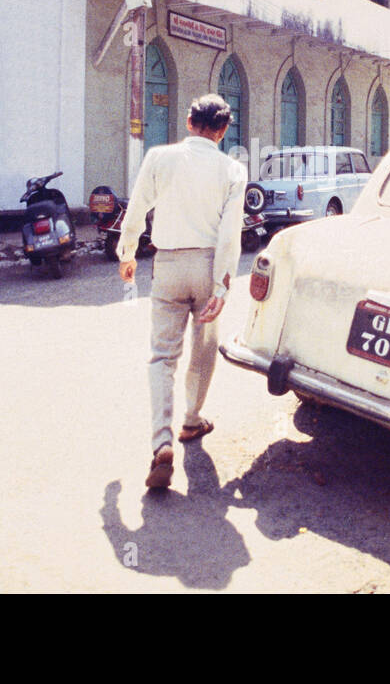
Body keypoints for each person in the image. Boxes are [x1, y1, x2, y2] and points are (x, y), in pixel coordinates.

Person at [117, 93, 247, 491]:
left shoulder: (159, 157)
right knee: (204, 347)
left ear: (189, 122)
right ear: (223, 132)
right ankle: (192, 420)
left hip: (168, 265)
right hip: (209, 267)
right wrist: (223, 285)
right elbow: (230, 233)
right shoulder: (233, 171)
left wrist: (127, 252)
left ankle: (161, 441)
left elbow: (137, 206)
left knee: (162, 356)